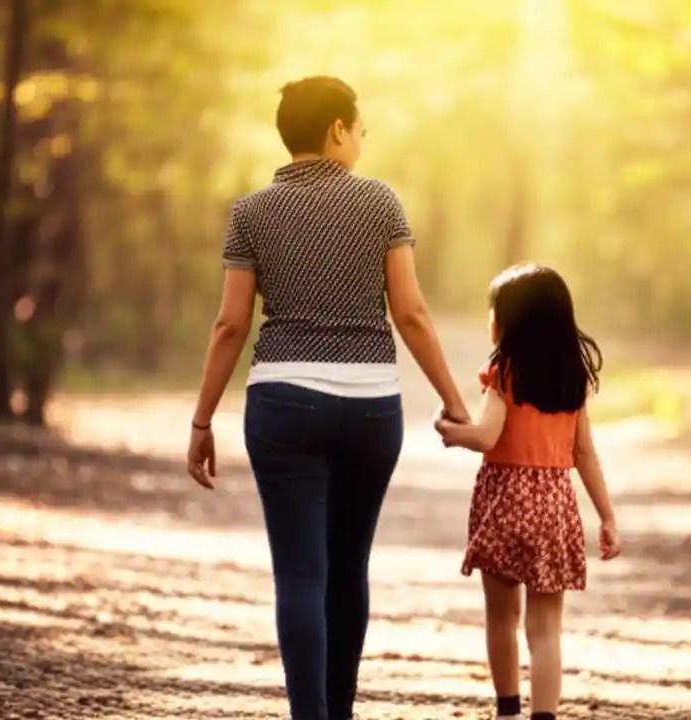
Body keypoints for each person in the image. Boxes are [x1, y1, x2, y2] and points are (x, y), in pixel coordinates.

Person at [185, 75, 468, 720]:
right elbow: (413, 314)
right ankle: (339, 713)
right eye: (361, 129)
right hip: (371, 407)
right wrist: (452, 400)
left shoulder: (251, 213)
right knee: (348, 567)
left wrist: (202, 419)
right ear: (337, 130)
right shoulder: (380, 203)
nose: (363, 141)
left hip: (283, 403)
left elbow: (230, 325)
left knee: (301, 575)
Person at [435, 264, 620, 720]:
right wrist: (607, 516)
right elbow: (584, 453)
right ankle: (544, 715)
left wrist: (449, 430)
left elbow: (486, 437)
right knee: (546, 629)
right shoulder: (569, 379)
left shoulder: (503, 371)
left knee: (502, 618)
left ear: (509, 323)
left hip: (504, 502)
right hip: (554, 506)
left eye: (492, 311)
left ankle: (507, 710)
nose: (488, 320)